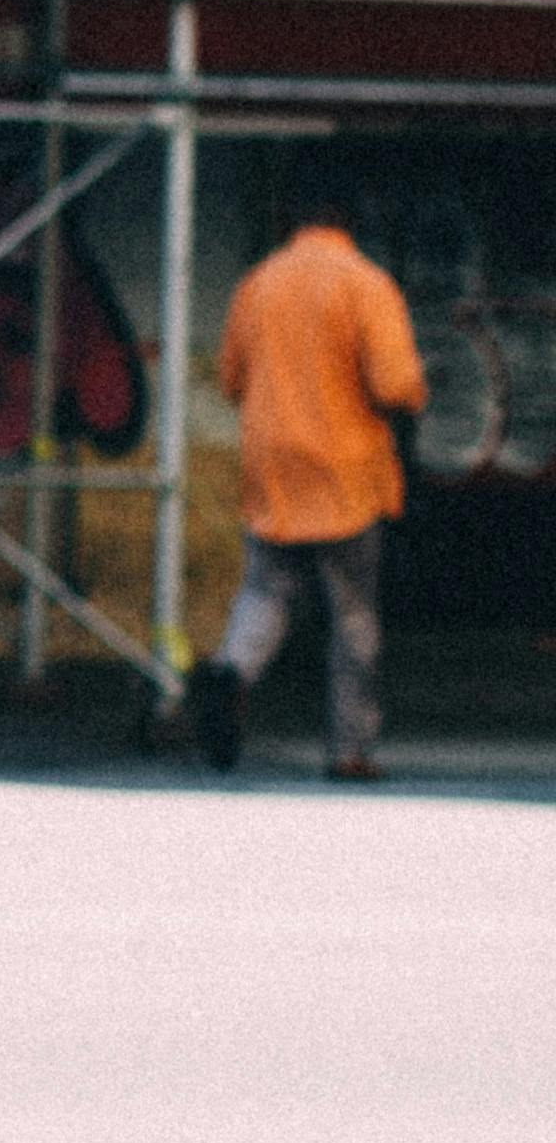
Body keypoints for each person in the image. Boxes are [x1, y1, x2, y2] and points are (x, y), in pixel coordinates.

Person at [195, 187, 426, 784]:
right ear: (347, 225)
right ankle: (350, 749)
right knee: (353, 616)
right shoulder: (366, 282)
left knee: (265, 591)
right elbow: (394, 383)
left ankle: (232, 671)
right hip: (345, 473)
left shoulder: (258, 283)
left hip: (272, 470)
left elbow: (229, 379)